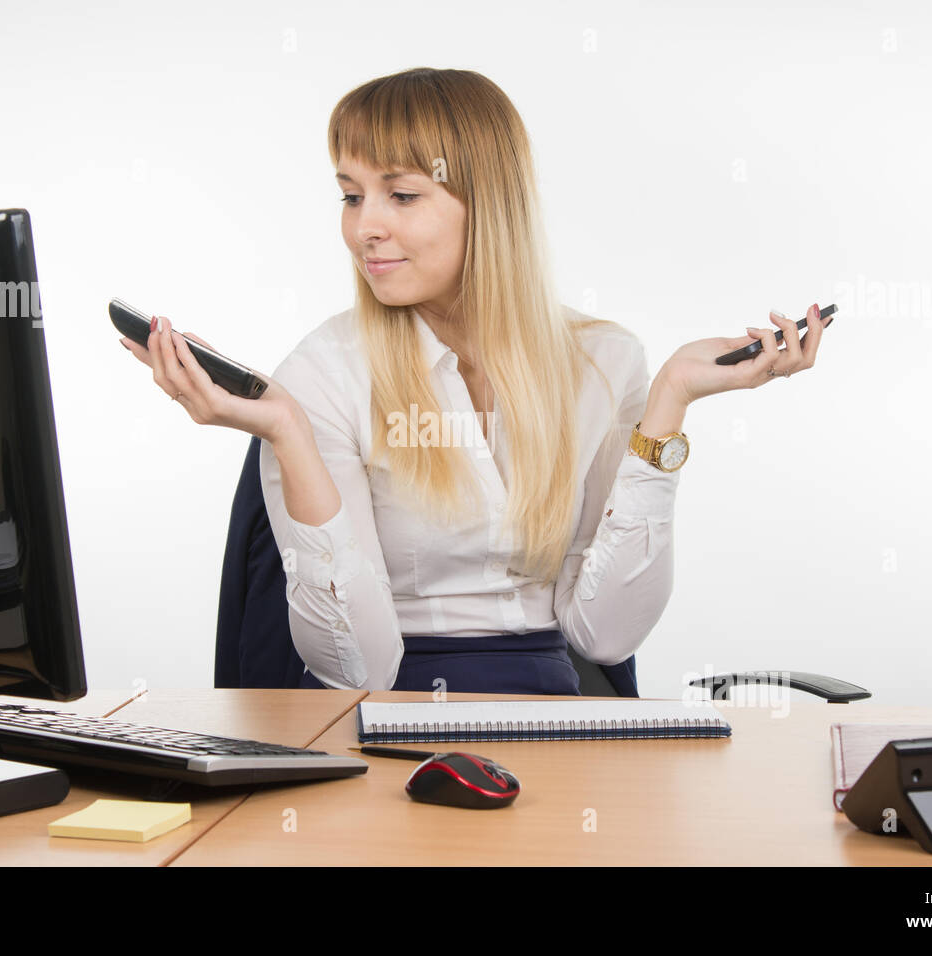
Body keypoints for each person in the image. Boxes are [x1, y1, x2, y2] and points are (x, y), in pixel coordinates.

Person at [119, 68, 827, 693]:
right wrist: (287, 431)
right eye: (350, 196)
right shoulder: (323, 372)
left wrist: (670, 401)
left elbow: (604, 636)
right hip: (388, 724)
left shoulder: (605, 363)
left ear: (487, 204)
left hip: (563, 724)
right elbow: (358, 669)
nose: (365, 227)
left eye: (400, 195)